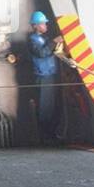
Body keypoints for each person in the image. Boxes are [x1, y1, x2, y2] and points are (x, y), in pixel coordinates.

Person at [28, 10, 62, 144]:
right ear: (35, 26)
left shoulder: (45, 39)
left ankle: (51, 134)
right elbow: (42, 53)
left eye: (45, 23)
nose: (45, 25)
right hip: (42, 77)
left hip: (50, 75)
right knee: (44, 108)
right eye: (43, 23)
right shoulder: (32, 40)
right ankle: (45, 137)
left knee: (51, 106)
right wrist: (54, 42)